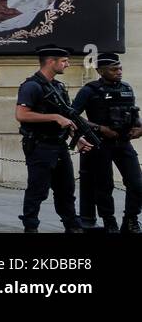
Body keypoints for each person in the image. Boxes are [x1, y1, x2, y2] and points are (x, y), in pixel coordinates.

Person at [16, 45, 92, 232]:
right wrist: (54, 117)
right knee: (38, 190)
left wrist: (77, 138)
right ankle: (31, 226)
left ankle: (72, 225)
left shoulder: (58, 87)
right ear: (51, 62)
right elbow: (22, 115)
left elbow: (66, 117)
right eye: (64, 61)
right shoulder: (31, 86)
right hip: (40, 145)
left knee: (66, 189)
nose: (67, 65)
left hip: (59, 145)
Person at [72, 52, 142, 233]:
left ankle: (131, 219)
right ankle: (109, 221)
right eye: (114, 69)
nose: (119, 72)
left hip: (123, 143)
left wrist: (139, 127)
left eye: (120, 68)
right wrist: (100, 128)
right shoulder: (89, 90)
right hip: (100, 143)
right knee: (104, 185)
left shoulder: (126, 88)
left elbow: (134, 114)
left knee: (136, 183)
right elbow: (73, 116)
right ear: (100, 71)